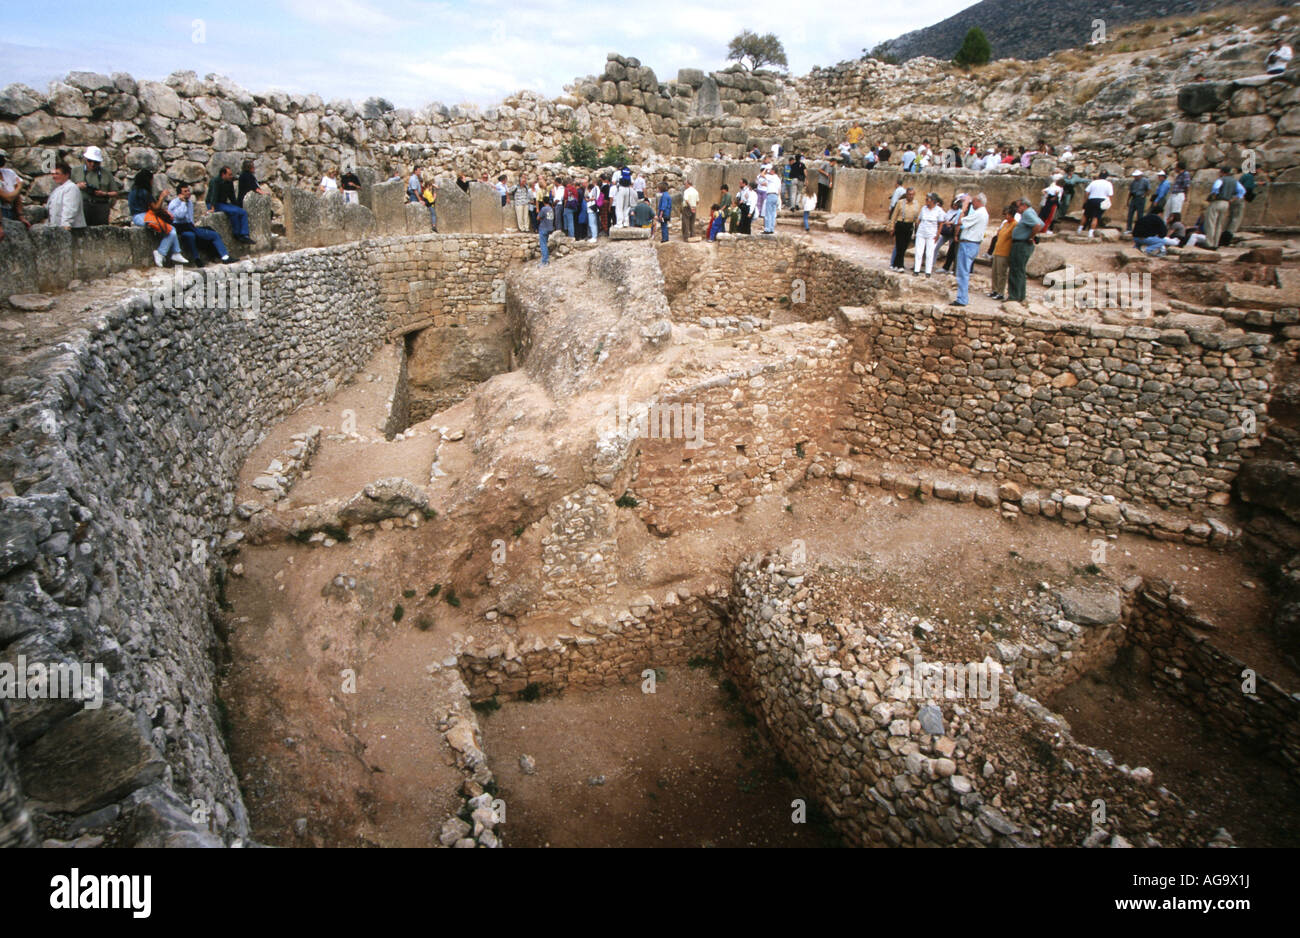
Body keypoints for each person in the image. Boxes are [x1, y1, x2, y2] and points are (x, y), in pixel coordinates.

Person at [127, 170, 186, 267]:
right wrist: (162, 197)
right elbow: (155, 208)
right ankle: (160, 252)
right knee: (170, 231)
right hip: (143, 216)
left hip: (137, 217)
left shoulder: (133, 191)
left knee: (172, 229)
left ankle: (176, 252)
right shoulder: (144, 192)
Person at [168, 183, 231, 264]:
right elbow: (180, 215)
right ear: (180, 194)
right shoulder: (174, 203)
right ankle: (197, 259)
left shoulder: (189, 203)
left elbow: (190, 217)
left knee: (212, 233)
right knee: (191, 235)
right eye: (185, 191)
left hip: (189, 226)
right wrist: (183, 202)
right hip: (179, 227)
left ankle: (224, 256)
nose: (188, 192)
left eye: (188, 190)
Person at [952, 193, 988, 307]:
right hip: (971, 244)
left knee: (963, 272)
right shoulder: (982, 213)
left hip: (968, 244)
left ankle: (962, 298)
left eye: (973, 202)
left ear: (978, 201)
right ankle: (961, 297)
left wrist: (963, 209)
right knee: (963, 271)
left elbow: (961, 222)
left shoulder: (979, 213)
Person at [71, 146, 121, 226]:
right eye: (89, 161)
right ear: (85, 159)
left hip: (101, 206)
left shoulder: (106, 173)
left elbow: (115, 192)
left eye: (96, 162)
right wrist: (77, 186)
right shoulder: (75, 171)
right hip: (82, 205)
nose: (92, 164)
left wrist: (104, 194)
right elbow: (66, 188)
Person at [1007, 198, 1044, 303]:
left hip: (1021, 244)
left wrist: (1030, 237)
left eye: (1018, 206)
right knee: (1020, 270)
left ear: (1023, 205)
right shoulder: (1031, 212)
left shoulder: (1027, 213)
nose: (1017, 209)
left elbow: (1037, 225)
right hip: (1022, 243)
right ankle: (1020, 295)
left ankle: (1014, 296)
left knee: (1016, 270)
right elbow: (1041, 224)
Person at [206, 166, 254, 242]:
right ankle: (237, 234)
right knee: (233, 212)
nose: (231, 176)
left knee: (242, 212)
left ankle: (244, 234)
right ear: (223, 174)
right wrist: (212, 208)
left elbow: (232, 196)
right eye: (229, 174)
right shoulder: (215, 181)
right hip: (214, 203)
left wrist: (237, 206)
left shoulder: (229, 182)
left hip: (223, 203)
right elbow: (213, 195)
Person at [1203, 167, 1242, 249]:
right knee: (1219, 224)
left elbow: (1216, 188)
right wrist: (1232, 199)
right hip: (1226, 203)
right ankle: (1216, 243)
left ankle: (1209, 243)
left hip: (1217, 201)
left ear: (1222, 172)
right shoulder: (1235, 182)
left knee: (1211, 223)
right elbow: (1242, 191)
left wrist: (1214, 195)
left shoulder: (1220, 180)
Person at [45, 161, 85, 230]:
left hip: (70, 229)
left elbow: (70, 208)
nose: (54, 176)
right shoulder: (57, 189)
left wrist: (66, 223)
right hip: (57, 227)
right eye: (53, 174)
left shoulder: (71, 188)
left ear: (66, 175)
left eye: (57, 174)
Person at [987, 204, 1016, 301]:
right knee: (994, 272)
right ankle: (994, 290)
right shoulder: (1005, 224)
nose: (1005, 216)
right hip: (998, 250)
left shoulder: (1014, 225)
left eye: (1007, 214)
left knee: (1001, 273)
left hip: (1005, 252)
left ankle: (1000, 292)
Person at [887, 187, 918, 271]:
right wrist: (892, 227)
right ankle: (900, 265)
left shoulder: (916, 204)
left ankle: (896, 264)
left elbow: (916, 217)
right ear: (906, 194)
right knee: (899, 245)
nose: (911, 196)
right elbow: (894, 216)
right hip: (901, 224)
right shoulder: (900, 203)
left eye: (912, 194)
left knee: (904, 246)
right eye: (909, 194)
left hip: (909, 225)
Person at [913, 193, 944, 277]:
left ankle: (928, 271)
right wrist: (917, 230)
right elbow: (919, 219)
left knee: (929, 253)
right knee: (919, 251)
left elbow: (941, 223)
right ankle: (916, 270)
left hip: (931, 233)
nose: (926, 201)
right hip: (921, 232)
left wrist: (938, 234)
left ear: (933, 201)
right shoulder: (924, 208)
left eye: (928, 200)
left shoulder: (939, 210)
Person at [0, 149, 30, 228]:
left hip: (11, 211)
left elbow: (17, 197)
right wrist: (19, 187)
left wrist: (20, 215)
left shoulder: (9, 173)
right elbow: (8, 198)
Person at [1080, 170, 1113, 237]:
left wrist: (1086, 201)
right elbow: (1110, 195)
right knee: (1095, 217)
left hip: (1091, 199)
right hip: (1101, 200)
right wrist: (1108, 203)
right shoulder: (1108, 184)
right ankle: (1091, 232)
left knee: (1085, 215)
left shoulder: (1093, 182)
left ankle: (1079, 229)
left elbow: (1087, 192)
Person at [1221, 167, 1248, 244]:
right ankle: (1228, 236)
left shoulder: (1224, 179)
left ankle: (1224, 234)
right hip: (1237, 199)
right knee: (1236, 218)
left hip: (1229, 199)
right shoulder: (1239, 178)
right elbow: (1242, 191)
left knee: (1230, 217)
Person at [761, 168, 780, 233]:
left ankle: (767, 229)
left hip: (770, 195)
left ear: (773, 171)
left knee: (768, 213)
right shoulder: (778, 179)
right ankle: (772, 228)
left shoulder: (772, 177)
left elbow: (762, 174)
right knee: (773, 213)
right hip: (776, 196)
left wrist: (765, 169)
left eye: (771, 170)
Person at [537, 196, 554, 265]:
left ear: (543, 201)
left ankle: (545, 261)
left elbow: (538, 217)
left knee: (543, 245)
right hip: (549, 228)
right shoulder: (551, 209)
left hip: (543, 228)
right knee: (545, 244)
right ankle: (546, 259)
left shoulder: (544, 209)